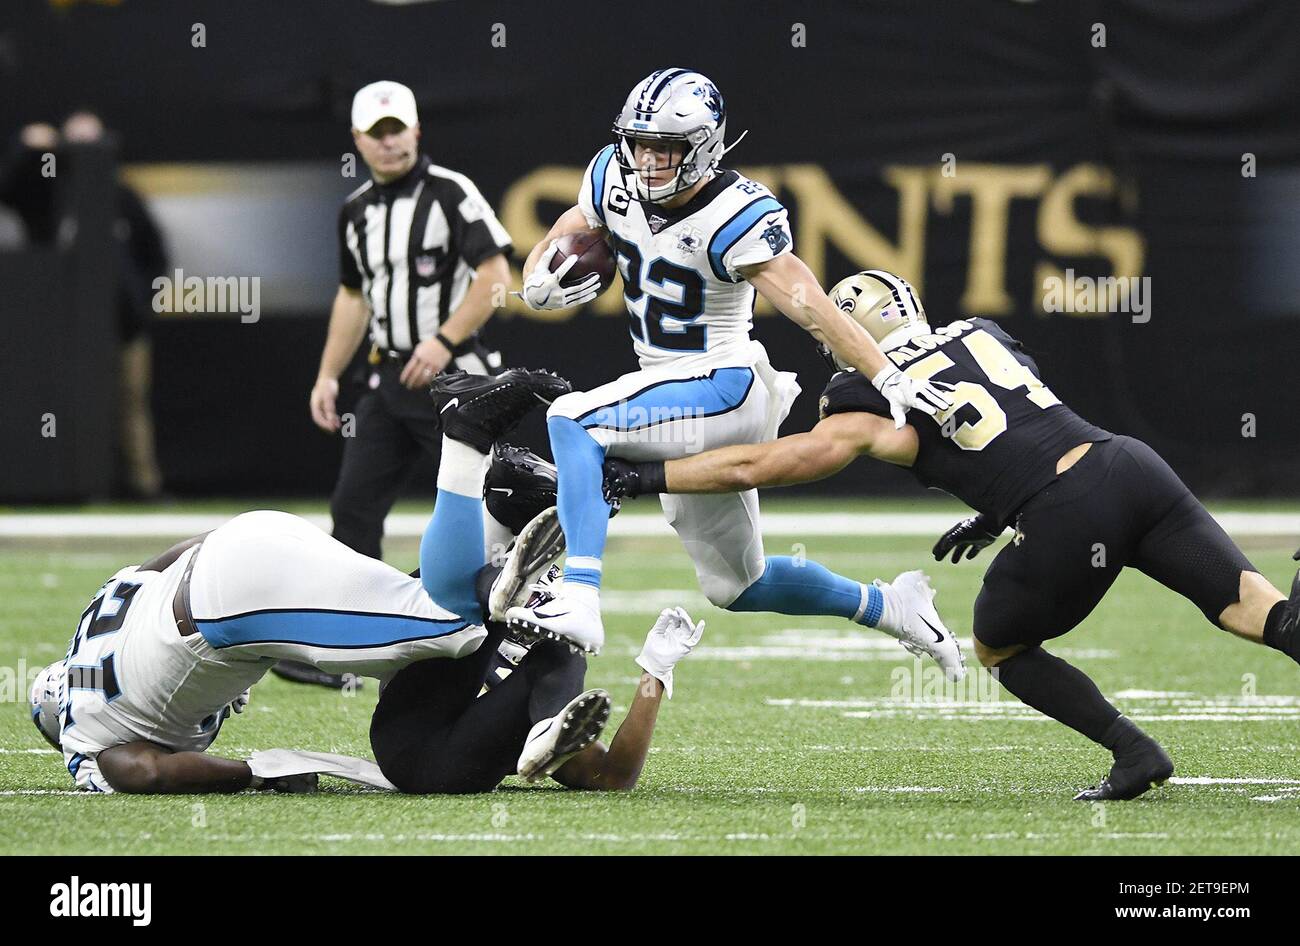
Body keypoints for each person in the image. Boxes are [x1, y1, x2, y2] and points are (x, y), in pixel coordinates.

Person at [602, 269, 1300, 800]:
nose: (832, 350)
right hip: (1129, 465)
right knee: (1256, 611)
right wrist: (997, 505)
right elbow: (1016, 420)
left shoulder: (869, 390)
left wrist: (650, 478)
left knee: (1000, 644)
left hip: (1063, 510)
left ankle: (1135, 751)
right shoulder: (979, 333)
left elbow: (776, 462)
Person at [506, 69, 959, 675]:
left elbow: (807, 304)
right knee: (740, 585)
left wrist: (885, 375)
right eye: (639, 145)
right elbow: (573, 225)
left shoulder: (736, 212)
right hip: (672, 389)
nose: (647, 162)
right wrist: (537, 277)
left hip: (723, 382)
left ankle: (580, 596)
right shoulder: (611, 175)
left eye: (665, 149)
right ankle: (893, 607)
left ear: (704, 147)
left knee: (573, 421)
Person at [28, 369, 569, 794]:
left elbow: (142, 773)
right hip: (246, 539)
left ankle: (466, 439)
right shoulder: (96, 622)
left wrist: (253, 772)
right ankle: (502, 508)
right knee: (408, 613)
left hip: (232, 609)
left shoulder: (85, 736)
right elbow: (172, 556)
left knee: (452, 627)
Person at [286, 80, 514, 688]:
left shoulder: (450, 193)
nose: (388, 143)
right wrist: (328, 373)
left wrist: (440, 341)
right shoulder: (356, 210)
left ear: (416, 131)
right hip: (388, 379)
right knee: (353, 509)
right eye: (376, 134)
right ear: (359, 141)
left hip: (457, 379)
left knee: (484, 511)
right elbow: (353, 296)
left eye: (397, 130)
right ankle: (352, 650)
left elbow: (496, 274)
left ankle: (484, 642)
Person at [370, 569, 705, 793]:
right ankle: (499, 582)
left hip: (455, 766)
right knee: (475, 584)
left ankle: (546, 728)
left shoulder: (544, 675)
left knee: (565, 650)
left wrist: (655, 673)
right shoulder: (466, 582)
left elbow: (611, 776)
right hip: (405, 736)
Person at [0, 112, 167, 498]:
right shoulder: (48, 194)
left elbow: (154, 254)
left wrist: (141, 302)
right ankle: (62, 485)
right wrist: (25, 149)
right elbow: (8, 189)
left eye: (95, 144)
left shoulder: (123, 198)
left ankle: (144, 487)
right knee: (63, 406)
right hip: (61, 330)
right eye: (76, 145)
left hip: (124, 323)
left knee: (131, 402)